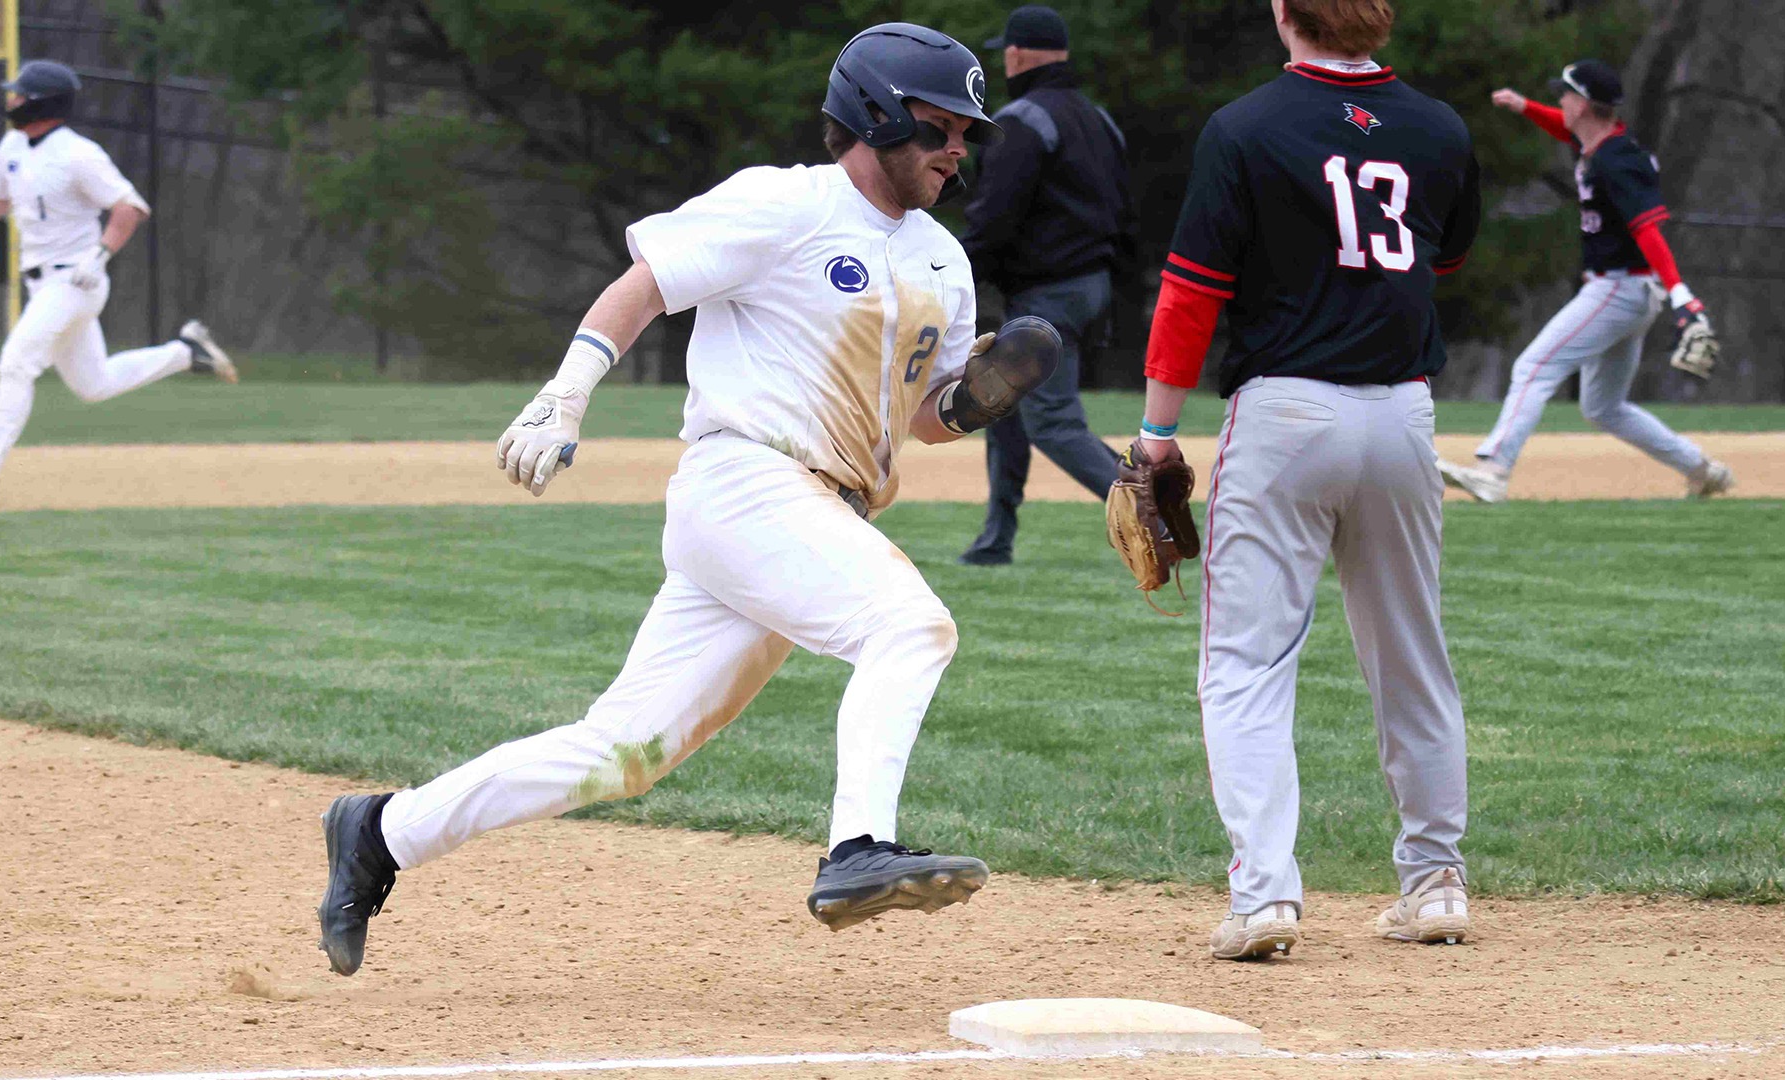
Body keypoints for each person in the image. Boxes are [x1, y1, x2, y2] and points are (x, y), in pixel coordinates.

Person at [315, 23, 1064, 977]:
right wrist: (566, 391)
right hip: (746, 480)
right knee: (910, 627)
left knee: (625, 750)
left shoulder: (942, 262)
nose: (957, 149)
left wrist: (986, 395)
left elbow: (924, 419)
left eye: (965, 133)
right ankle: (857, 849)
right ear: (874, 114)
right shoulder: (785, 203)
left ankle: (383, 831)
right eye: (937, 127)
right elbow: (649, 284)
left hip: (816, 510)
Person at [1136, 0, 1479, 960]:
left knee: (1246, 663)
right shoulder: (1439, 127)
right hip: (1404, 415)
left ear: (1285, 13)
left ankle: (1266, 899)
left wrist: (1160, 433)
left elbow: (1192, 291)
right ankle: (1436, 881)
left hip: (1286, 411)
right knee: (1413, 653)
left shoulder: (1244, 126)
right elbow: (1442, 251)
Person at [0, 60, 238, 509]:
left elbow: (130, 207)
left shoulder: (78, 154)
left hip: (75, 279)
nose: (11, 99)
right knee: (93, 384)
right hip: (43, 284)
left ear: (42, 102)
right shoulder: (13, 144)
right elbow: (2, 191)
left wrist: (100, 255)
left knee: (16, 362)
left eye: (19, 93)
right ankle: (185, 352)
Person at [1438, 60, 1733, 503]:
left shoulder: (1618, 160)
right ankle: (1702, 470)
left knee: (1534, 368)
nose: (1561, 101)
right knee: (1603, 407)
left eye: (1566, 94)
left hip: (1618, 288)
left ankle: (1494, 470)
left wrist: (1682, 295)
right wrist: (1525, 107)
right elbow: (1564, 128)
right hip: (1627, 290)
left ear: (1584, 104)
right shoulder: (1597, 143)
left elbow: (1648, 229)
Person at [957, 5, 1135, 566]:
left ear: (1015, 54)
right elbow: (1125, 217)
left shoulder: (1021, 122)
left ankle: (1149, 511)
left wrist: (956, 280)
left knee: (1053, 423)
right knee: (998, 400)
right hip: (1092, 288)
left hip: (1047, 296)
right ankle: (994, 540)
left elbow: (993, 220)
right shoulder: (1100, 120)